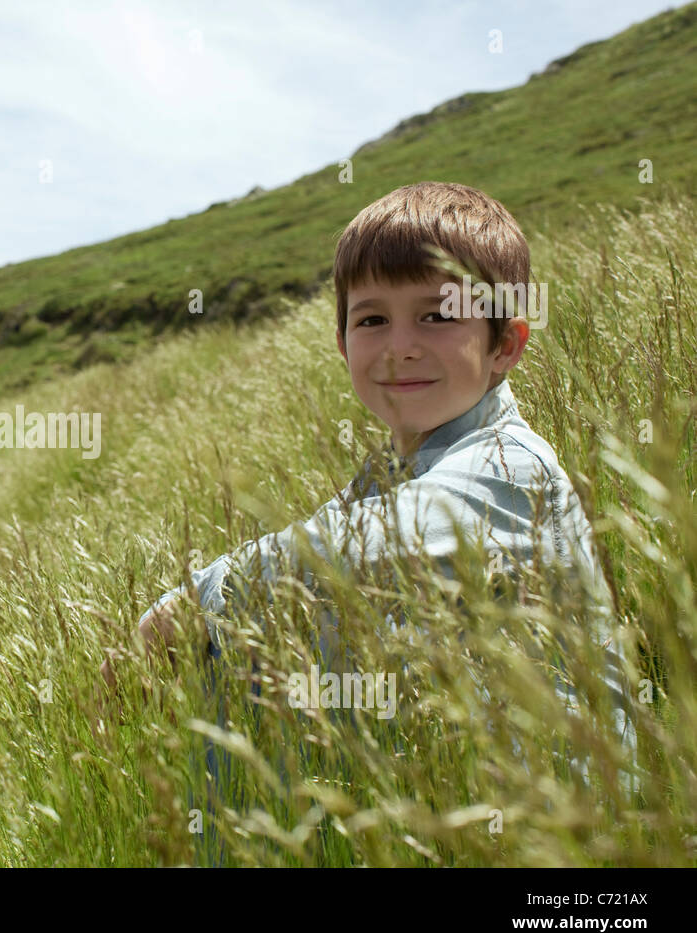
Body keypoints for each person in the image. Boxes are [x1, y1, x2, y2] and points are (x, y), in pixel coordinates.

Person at [100, 181, 636, 865]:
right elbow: (334, 535)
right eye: (372, 320)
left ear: (506, 344)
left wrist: (184, 608)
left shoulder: (509, 465)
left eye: (439, 316)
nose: (399, 347)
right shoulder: (385, 473)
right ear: (341, 340)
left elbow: (358, 547)